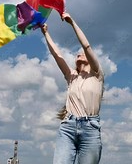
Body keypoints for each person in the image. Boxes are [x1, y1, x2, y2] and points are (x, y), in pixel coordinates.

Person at [41, 12, 104, 164]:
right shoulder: (71, 76)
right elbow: (57, 55)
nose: (79, 54)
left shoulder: (97, 74)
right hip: (67, 127)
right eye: (77, 54)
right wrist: (46, 33)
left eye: (82, 54)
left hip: (91, 128)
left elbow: (86, 45)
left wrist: (72, 22)